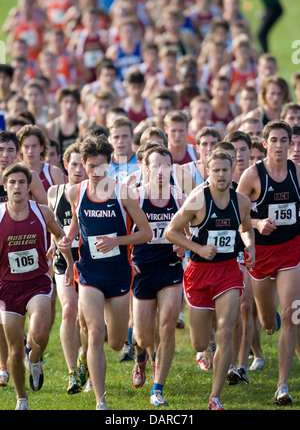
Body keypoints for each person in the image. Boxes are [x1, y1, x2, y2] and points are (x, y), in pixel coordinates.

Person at [59, 135, 152, 410]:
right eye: (91, 167)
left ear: (110, 164)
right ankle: (101, 401)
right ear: (84, 166)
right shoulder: (75, 192)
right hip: (89, 271)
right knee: (95, 331)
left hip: (119, 273)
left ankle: (135, 351)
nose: (96, 173)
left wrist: (117, 241)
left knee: (115, 341)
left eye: (101, 167)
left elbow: (145, 233)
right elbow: (77, 222)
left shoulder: (124, 193)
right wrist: (68, 238)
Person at [165, 149, 255, 410]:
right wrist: (198, 248)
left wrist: (250, 246)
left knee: (227, 328)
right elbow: (171, 231)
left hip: (228, 270)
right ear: (208, 172)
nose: (221, 175)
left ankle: (215, 397)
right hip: (199, 272)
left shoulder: (242, 202)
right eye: (215, 170)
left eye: (225, 170)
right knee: (200, 341)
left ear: (232, 171)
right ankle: (205, 349)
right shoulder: (197, 200)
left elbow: (246, 228)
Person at [0, 163, 73, 410]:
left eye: (22, 182)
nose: (17, 187)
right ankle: (22, 399)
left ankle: (36, 357)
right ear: (5, 186)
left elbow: (61, 236)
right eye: (12, 183)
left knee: (39, 336)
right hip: (7, 288)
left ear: (29, 186)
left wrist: (64, 257)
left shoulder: (42, 212)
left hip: (37, 283)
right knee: (14, 349)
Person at [237, 120, 300, 405]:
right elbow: (233, 215)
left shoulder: (297, 172)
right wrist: (258, 221)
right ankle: (266, 326)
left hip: (290, 251)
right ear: (265, 144)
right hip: (261, 255)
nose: (278, 145)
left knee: (289, 314)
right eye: (273, 140)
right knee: (268, 322)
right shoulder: (252, 175)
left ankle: (282, 385)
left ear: (290, 143)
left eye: (283, 140)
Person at [131, 145, 186, 406]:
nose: (161, 172)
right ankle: (140, 355)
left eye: (166, 167)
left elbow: (194, 230)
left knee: (167, 325)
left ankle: (157, 389)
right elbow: (121, 233)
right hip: (142, 268)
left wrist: (183, 243)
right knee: (143, 336)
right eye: (156, 166)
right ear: (146, 168)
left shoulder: (181, 198)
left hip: (170, 267)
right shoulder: (135, 197)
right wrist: (127, 261)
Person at [47, 142, 88, 395]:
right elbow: (50, 221)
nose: (79, 169)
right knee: (69, 311)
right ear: (66, 165)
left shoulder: (97, 192)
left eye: (83, 164)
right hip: (63, 262)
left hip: (90, 262)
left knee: (88, 321)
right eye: (74, 164)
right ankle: (72, 372)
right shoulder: (54, 192)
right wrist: (53, 243)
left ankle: (86, 359)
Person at [17, 124, 65, 192]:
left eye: (34, 146)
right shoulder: (12, 171)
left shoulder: (54, 172)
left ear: (42, 147)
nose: (30, 151)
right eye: (26, 146)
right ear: (20, 149)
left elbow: (62, 202)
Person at [107, 116, 139, 182]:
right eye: (116, 137)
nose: (120, 141)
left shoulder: (142, 163)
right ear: (110, 139)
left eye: (125, 136)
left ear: (133, 137)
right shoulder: (104, 163)